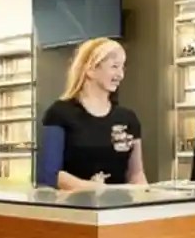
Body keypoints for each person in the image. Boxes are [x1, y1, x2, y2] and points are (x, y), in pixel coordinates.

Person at [40, 37, 147, 191]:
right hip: (76, 211)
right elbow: (51, 175)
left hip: (118, 211)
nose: (121, 75)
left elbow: (136, 174)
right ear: (90, 69)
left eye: (122, 67)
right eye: (114, 66)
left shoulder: (128, 118)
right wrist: (97, 189)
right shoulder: (59, 114)